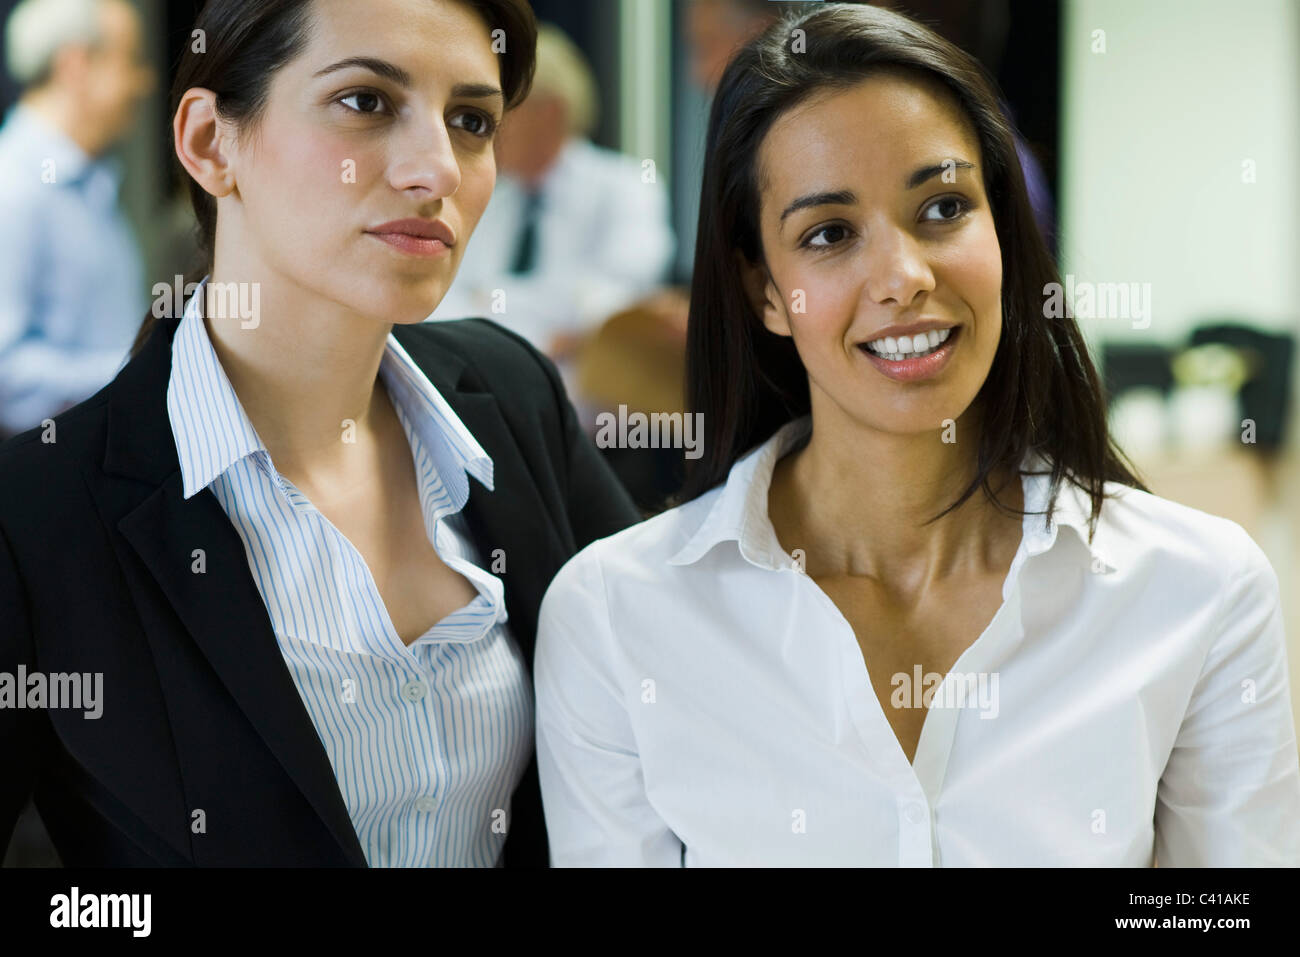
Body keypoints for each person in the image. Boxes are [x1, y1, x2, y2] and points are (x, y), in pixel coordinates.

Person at [533, 3, 1300, 866]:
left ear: (1004, 232)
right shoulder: (616, 617)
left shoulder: (1199, 590)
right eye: (828, 234)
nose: (902, 276)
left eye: (942, 208)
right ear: (765, 292)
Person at [0, 0, 640, 868]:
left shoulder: (512, 396)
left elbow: (665, 717)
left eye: (471, 120)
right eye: (367, 102)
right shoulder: (36, 516)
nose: (438, 168)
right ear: (209, 143)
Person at [429, 23, 674, 362]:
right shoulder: (493, 196)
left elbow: (614, 300)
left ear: (550, 112)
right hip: (486, 375)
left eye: (505, 108)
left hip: (589, 399)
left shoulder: (626, 185)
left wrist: (497, 303)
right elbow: (449, 296)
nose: (492, 126)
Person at [0, 0, 154, 437]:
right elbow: (4, 374)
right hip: (49, 481)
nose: (143, 82)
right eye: (130, 60)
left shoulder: (92, 184)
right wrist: (142, 375)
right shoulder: (12, 186)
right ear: (76, 65)